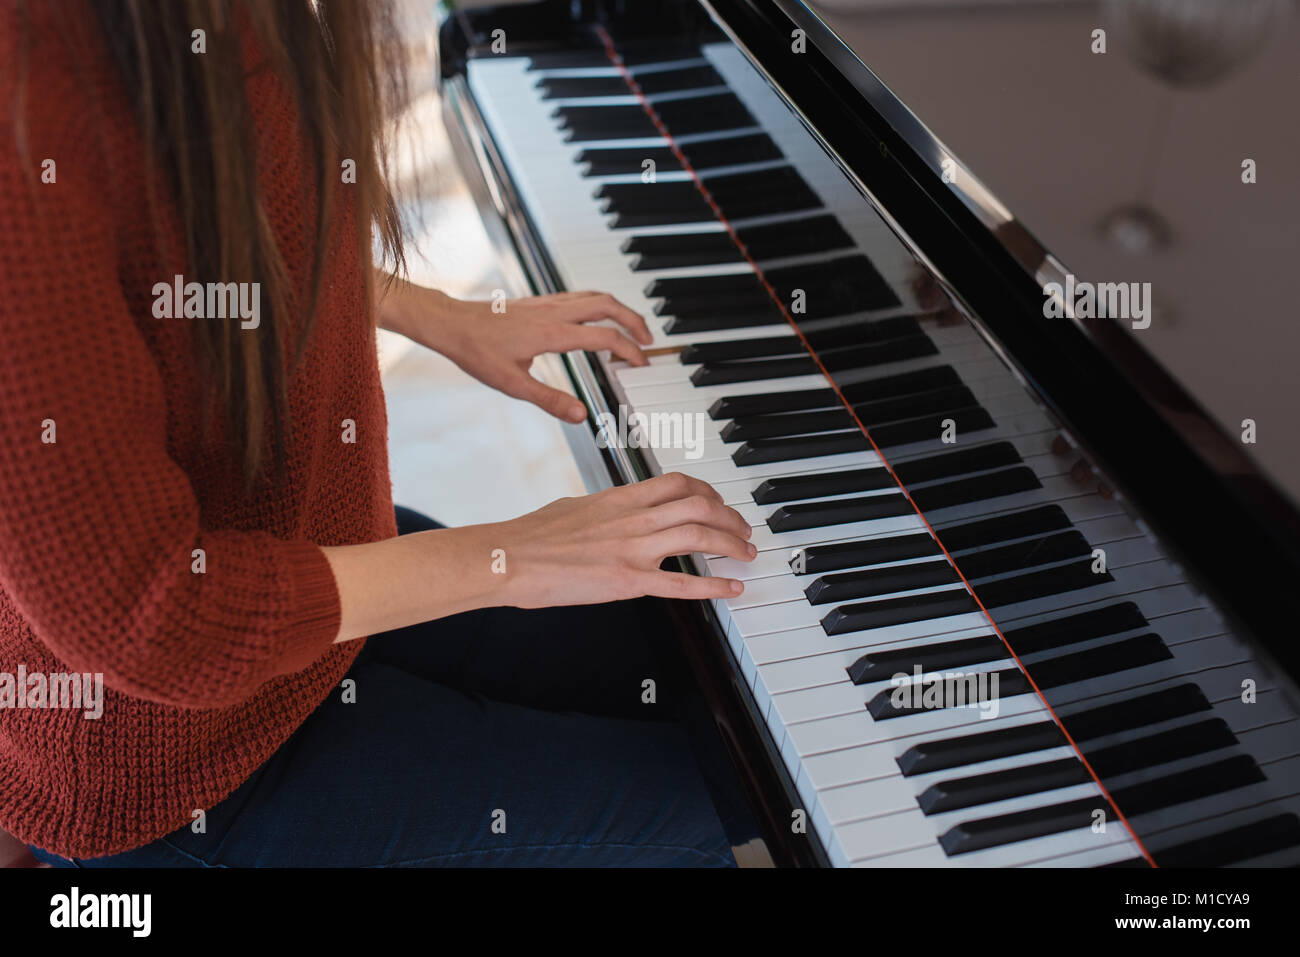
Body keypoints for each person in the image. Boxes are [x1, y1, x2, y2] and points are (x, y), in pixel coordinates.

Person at [0, 0, 755, 867]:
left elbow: (199, 248)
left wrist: (437, 313)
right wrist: (515, 555)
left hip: (315, 584)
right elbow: (153, 617)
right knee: (698, 809)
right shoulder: (26, 96)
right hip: (175, 765)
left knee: (719, 702)